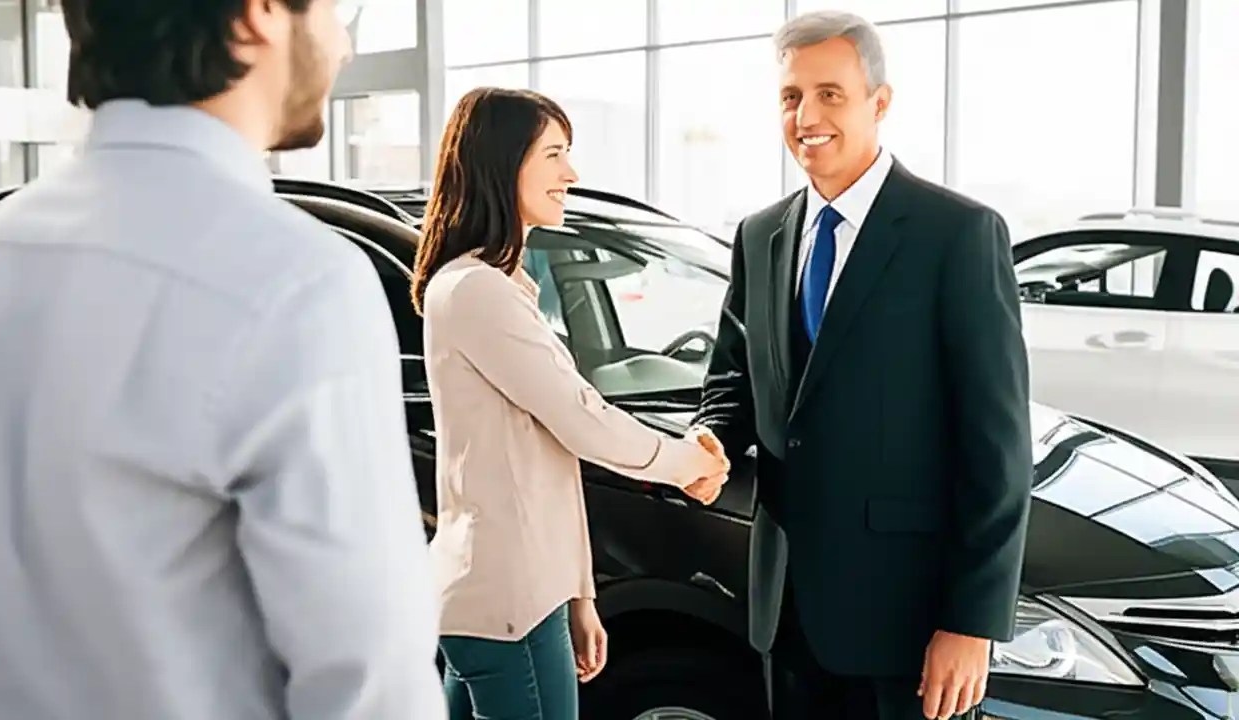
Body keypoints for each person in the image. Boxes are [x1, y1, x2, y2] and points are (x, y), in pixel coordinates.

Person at [0, 1, 444, 718]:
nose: (342, 46)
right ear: (256, 16)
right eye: (337, 11)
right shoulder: (296, 280)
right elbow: (369, 686)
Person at [688, 10, 1033, 720]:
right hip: (784, 609)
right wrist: (711, 438)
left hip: (906, 622)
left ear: (880, 102)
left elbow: (996, 446)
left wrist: (972, 622)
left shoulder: (958, 235)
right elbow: (731, 379)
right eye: (791, 97)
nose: (806, 115)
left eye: (830, 94)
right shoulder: (760, 236)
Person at [411, 87, 729, 720]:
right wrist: (690, 462)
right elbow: (585, 421)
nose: (571, 174)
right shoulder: (478, 291)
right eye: (554, 154)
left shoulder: (499, 286)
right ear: (504, 164)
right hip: (508, 603)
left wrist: (578, 597)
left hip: (520, 596)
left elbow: (548, 466)